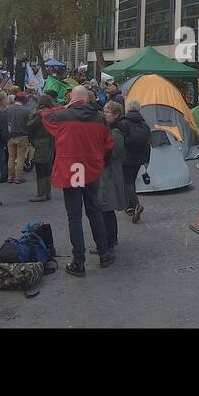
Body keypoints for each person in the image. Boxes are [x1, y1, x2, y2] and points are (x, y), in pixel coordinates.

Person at [40, 86, 114, 276]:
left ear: (72, 98)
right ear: (88, 99)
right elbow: (109, 144)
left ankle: (78, 261)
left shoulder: (63, 115)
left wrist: (65, 106)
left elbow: (44, 114)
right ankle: (104, 253)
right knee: (94, 211)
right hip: (91, 167)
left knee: (74, 216)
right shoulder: (100, 118)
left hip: (73, 168)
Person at [96, 102, 127, 255]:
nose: (104, 114)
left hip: (110, 173)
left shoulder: (116, 132)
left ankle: (108, 242)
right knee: (106, 210)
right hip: (109, 172)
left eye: (107, 112)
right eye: (104, 111)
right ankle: (110, 239)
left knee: (105, 208)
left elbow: (113, 153)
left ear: (116, 114)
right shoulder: (112, 129)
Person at [119, 99, 150, 224]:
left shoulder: (123, 123)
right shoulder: (145, 125)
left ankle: (136, 205)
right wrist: (146, 160)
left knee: (127, 182)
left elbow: (120, 142)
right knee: (131, 181)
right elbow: (148, 144)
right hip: (139, 158)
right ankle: (130, 206)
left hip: (126, 157)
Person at [26, 95, 58, 203]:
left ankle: (41, 194)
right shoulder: (53, 114)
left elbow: (30, 126)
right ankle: (48, 192)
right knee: (47, 169)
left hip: (40, 144)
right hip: (50, 143)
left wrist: (32, 117)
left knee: (40, 170)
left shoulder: (40, 115)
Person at [4, 93, 31, 184]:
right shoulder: (27, 110)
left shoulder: (7, 109)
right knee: (20, 158)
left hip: (10, 136)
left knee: (11, 158)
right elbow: (29, 124)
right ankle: (18, 178)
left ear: (15, 99)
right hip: (22, 136)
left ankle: (10, 177)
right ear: (24, 100)